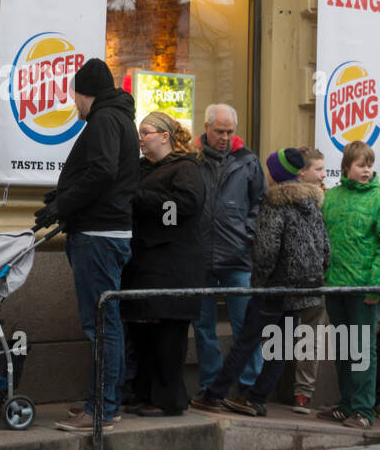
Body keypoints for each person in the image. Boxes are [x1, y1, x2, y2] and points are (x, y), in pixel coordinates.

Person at [34, 58, 139, 434]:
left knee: (101, 325)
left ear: (84, 92)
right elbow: (102, 174)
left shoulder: (104, 120)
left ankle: (101, 410)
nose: (74, 104)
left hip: (98, 236)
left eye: (75, 95)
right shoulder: (119, 118)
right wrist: (62, 194)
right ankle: (107, 403)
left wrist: (66, 203)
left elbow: (102, 172)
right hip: (106, 232)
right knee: (107, 323)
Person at [193, 148, 330, 417]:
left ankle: (214, 394)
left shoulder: (274, 203)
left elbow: (266, 251)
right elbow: (325, 249)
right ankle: (256, 398)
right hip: (304, 288)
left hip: (274, 287)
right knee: (279, 346)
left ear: (274, 173)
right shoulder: (312, 205)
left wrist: (259, 282)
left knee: (247, 341)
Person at [120, 112, 206, 416]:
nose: (141, 138)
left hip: (172, 266)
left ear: (166, 136)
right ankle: (144, 393)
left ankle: (168, 400)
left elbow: (182, 208)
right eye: (140, 133)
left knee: (167, 337)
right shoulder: (142, 169)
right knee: (143, 335)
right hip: (143, 263)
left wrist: (140, 198)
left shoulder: (185, 168)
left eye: (146, 132)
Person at [317, 142, 380, 429]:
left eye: (369, 165)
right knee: (342, 347)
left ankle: (364, 410)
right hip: (335, 285)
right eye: (360, 165)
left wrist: (376, 283)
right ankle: (347, 404)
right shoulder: (332, 197)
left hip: (365, 287)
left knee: (363, 348)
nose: (366, 170)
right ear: (346, 168)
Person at [191, 103, 266, 404]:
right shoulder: (192, 161)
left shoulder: (248, 161)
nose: (225, 137)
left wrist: (247, 233)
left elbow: (260, 203)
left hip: (237, 257)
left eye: (230, 131)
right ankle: (211, 385)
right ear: (207, 128)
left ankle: (248, 386)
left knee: (246, 326)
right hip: (200, 257)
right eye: (219, 131)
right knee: (203, 326)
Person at [289, 146, 328, 412]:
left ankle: (303, 392)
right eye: (319, 169)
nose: (324, 175)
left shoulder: (324, 200)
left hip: (316, 278)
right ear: (302, 173)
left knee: (309, 336)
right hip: (291, 278)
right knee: (283, 332)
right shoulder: (289, 200)